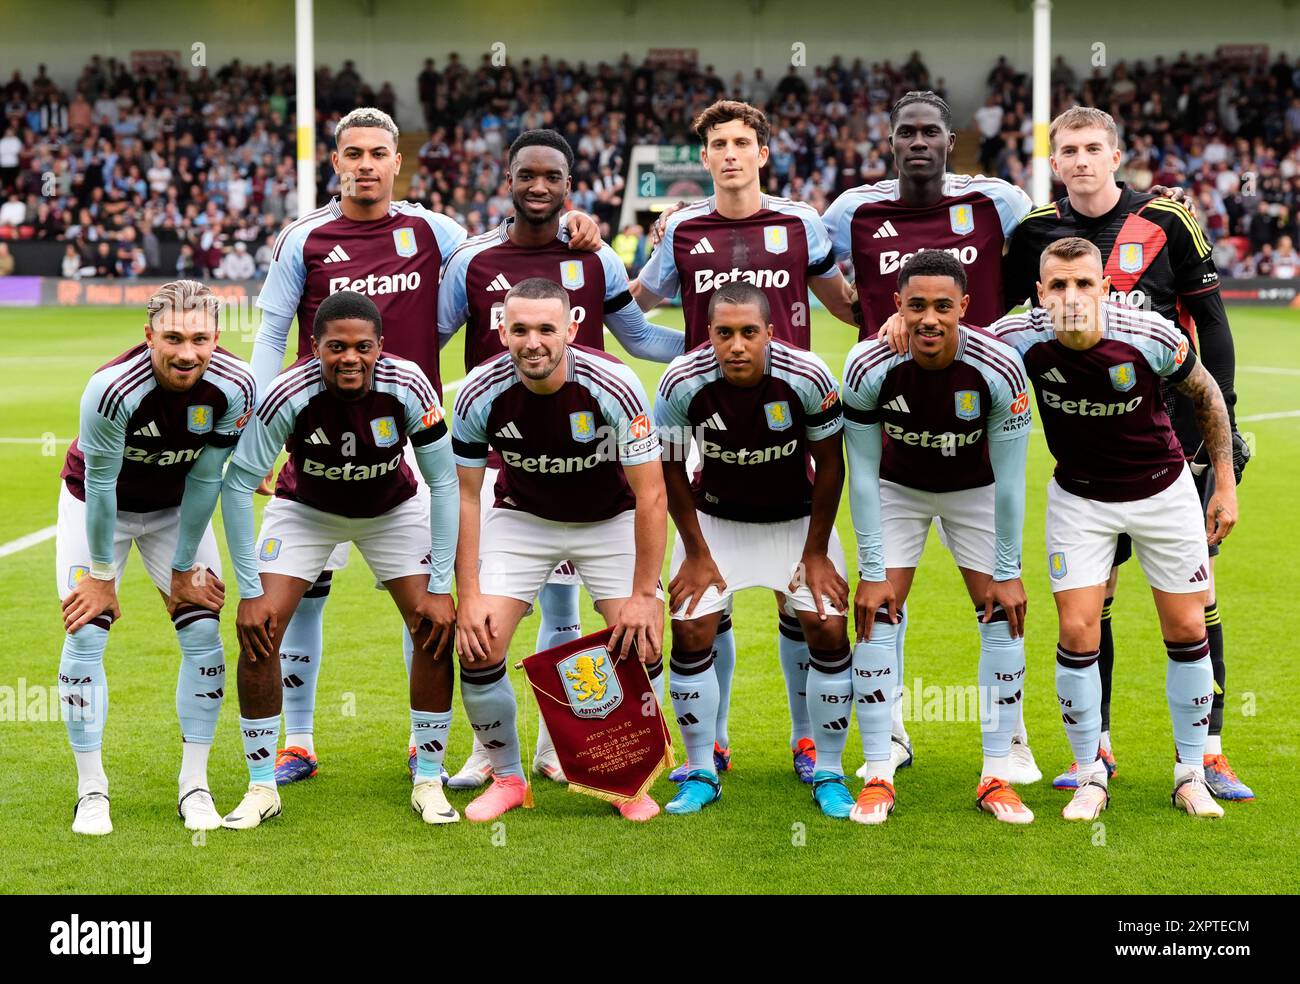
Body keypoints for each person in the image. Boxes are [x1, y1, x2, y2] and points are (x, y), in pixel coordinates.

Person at [252, 107, 601, 786]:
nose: (366, 165)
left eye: (378, 153)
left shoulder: (433, 232)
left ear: (395, 162)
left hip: (415, 436)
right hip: (316, 433)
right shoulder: (306, 238)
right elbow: (270, 336)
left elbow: (502, 253)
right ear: (336, 164)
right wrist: (262, 426)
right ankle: (298, 740)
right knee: (306, 591)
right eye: (352, 153)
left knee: (428, 602)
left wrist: (570, 225)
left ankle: (431, 743)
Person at [1003, 106, 1253, 799]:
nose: (1080, 160)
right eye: (1068, 150)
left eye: (1092, 148)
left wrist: (1218, 440)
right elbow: (1002, 339)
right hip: (1084, 459)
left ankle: (1208, 754)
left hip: (1172, 447)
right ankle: (1099, 752)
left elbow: (1212, 325)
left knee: (1195, 602)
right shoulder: (1033, 236)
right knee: (1094, 601)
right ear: (1055, 162)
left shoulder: (1167, 219)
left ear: (1116, 155)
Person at [439, 128, 684, 787]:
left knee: (572, 617)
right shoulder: (473, 261)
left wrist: (715, 344)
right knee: (512, 620)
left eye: (552, 176)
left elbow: (636, 336)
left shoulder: (594, 255)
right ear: (508, 180)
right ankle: (495, 755)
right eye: (527, 175)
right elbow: (426, 334)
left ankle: (563, 746)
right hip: (508, 466)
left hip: (595, 461)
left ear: (570, 185)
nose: (539, 186)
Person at [632, 98, 859, 785]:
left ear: (763, 152)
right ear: (703, 159)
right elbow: (635, 312)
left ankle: (809, 744)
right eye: (717, 145)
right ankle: (714, 745)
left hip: (794, 418)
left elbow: (843, 301)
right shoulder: (681, 230)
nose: (729, 154)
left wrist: (893, 330)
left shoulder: (800, 222)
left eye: (741, 143)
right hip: (710, 424)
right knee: (703, 608)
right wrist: (702, 357)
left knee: (810, 613)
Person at [821, 91, 1039, 782]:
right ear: (889, 142)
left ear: (951, 141)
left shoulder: (999, 201)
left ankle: (1010, 743)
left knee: (1001, 603)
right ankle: (890, 741)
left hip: (978, 424)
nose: (918, 142)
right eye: (905, 132)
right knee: (884, 598)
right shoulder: (851, 209)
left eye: (930, 132)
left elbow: (1050, 248)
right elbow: (821, 272)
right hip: (896, 434)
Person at [219, 291, 460, 829]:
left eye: (362, 347)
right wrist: (249, 590)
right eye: (336, 347)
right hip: (307, 509)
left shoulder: (410, 383)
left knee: (433, 624)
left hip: (392, 509)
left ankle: (428, 776)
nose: (349, 358)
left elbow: (443, 482)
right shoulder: (286, 393)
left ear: (380, 347)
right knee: (260, 629)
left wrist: (442, 584)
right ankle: (261, 786)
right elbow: (237, 486)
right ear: (315, 348)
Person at [451, 278, 667, 823]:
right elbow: (465, 495)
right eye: (519, 329)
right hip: (524, 519)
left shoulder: (613, 384)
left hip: (608, 519)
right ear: (501, 331)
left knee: (642, 643)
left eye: (547, 328)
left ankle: (626, 777)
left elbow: (651, 492)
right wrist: (469, 592)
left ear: (571, 328)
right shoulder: (480, 390)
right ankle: (509, 778)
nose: (533, 342)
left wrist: (645, 594)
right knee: (479, 644)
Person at [56, 280, 255, 835]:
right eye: (172, 337)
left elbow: (207, 476)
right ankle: (90, 791)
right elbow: (100, 485)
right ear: (148, 336)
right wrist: (100, 577)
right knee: (85, 632)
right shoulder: (111, 388)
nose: (186, 352)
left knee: (202, 636)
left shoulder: (235, 386)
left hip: (175, 510)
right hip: (98, 509)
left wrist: (185, 564)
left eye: (200, 338)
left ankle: (195, 786)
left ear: (217, 336)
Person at [842, 251, 1033, 825]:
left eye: (943, 306)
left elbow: (1011, 477)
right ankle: (879, 770)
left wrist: (1008, 567)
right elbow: (862, 471)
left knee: (1001, 611)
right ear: (896, 306)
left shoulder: (999, 367)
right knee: (876, 612)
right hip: (898, 487)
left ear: (964, 309)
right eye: (917, 305)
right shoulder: (866, 365)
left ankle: (996, 771)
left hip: (975, 489)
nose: (930, 318)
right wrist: (872, 571)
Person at [654, 282, 855, 819]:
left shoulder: (808, 375)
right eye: (724, 333)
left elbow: (831, 465)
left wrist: (817, 554)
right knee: (692, 622)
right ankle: (702, 767)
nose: (737, 345)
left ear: (770, 332)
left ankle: (824, 763)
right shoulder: (680, 382)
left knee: (829, 624)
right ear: (709, 335)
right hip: (717, 521)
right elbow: (670, 469)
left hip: (797, 522)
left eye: (748, 333)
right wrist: (696, 553)